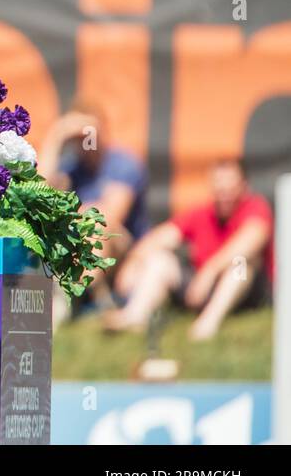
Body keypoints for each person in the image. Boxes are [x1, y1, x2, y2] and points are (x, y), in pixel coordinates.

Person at [106, 159, 275, 341]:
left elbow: (250, 241)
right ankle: (135, 315)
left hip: (246, 291)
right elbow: (162, 238)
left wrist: (210, 271)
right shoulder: (202, 213)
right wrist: (134, 261)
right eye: (219, 188)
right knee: (159, 260)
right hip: (199, 288)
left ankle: (208, 323)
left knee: (242, 263)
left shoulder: (256, 207)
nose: (224, 194)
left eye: (230, 187)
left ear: (244, 186)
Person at [37, 96, 148, 295]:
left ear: (103, 131)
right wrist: (57, 135)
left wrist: (72, 213)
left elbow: (109, 218)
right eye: (78, 137)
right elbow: (39, 193)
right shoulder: (71, 168)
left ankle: (77, 291)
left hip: (124, 251)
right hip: (78, 244)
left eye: (89, 134)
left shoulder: (122, 164)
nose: (86, 142)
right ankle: (76, 291)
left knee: (95, 224)